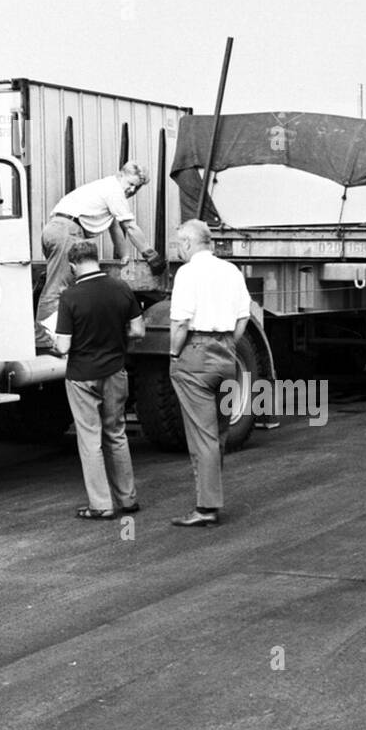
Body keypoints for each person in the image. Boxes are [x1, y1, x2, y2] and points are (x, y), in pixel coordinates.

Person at [52, 239, 145, 519]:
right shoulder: (121, 288)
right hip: (115, 371)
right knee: (116, 434)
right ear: (97, 259)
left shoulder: (70, 296)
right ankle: (128, 500)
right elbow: (138, 331)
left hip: (82, 376)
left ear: (72, 265)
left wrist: (54, 344)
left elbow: (64, 346)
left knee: (90, 440)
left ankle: (101, 505)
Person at [167, 219, 251, 528]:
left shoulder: (187, 273)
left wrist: (175, 354)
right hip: (227, 351)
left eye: (179, 244)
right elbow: (244, 316)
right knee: (218, 433)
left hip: (196, 353)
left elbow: (179, 323)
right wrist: (228, 344)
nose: (178, 250)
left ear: (188, 243)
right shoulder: (231, 271)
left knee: (202, 435)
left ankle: (206, 507)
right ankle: (210, 497)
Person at [37, 161, 161, 346]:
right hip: (67, 232)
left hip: (58, 229)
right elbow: (130, 226)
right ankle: (44, 342)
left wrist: (124, 255)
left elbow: (114, 226)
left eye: (137, 187)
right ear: (120, 176)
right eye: (130, 184)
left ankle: (56, 337)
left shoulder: (105, 188)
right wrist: (150, 254)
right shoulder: (114, 190)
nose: (132, 190)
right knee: (58, 289)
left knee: (65, 286)